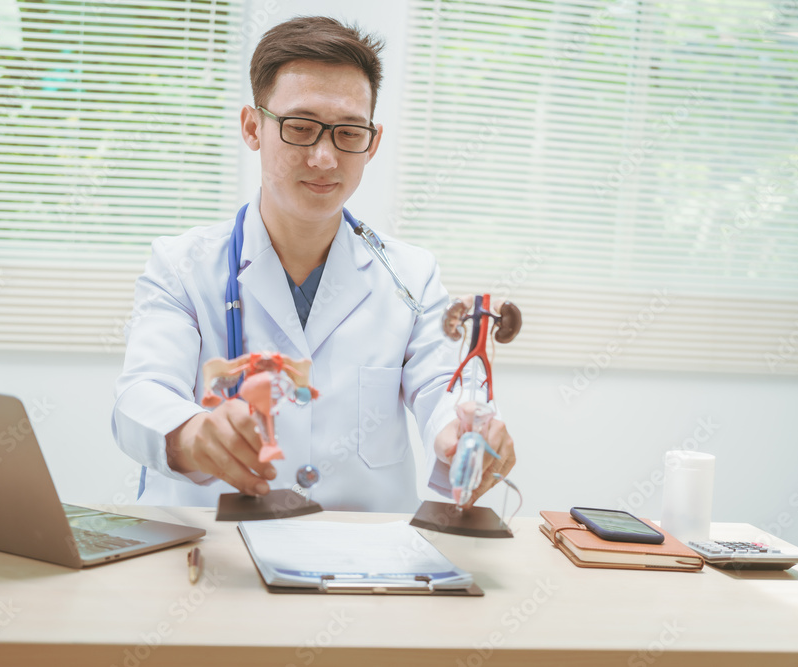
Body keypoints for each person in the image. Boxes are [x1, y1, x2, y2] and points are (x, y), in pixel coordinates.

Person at [111, 16, 515, 512]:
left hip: (365, 563)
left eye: (348, 133)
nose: (325, 158)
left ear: (373, 141)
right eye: (301, 128)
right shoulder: (182, 266)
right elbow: (141, 395)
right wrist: (192, 432)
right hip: (218, 547)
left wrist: (464, 431)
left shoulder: (411, 276)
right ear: (252, 127)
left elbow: (442, 387)